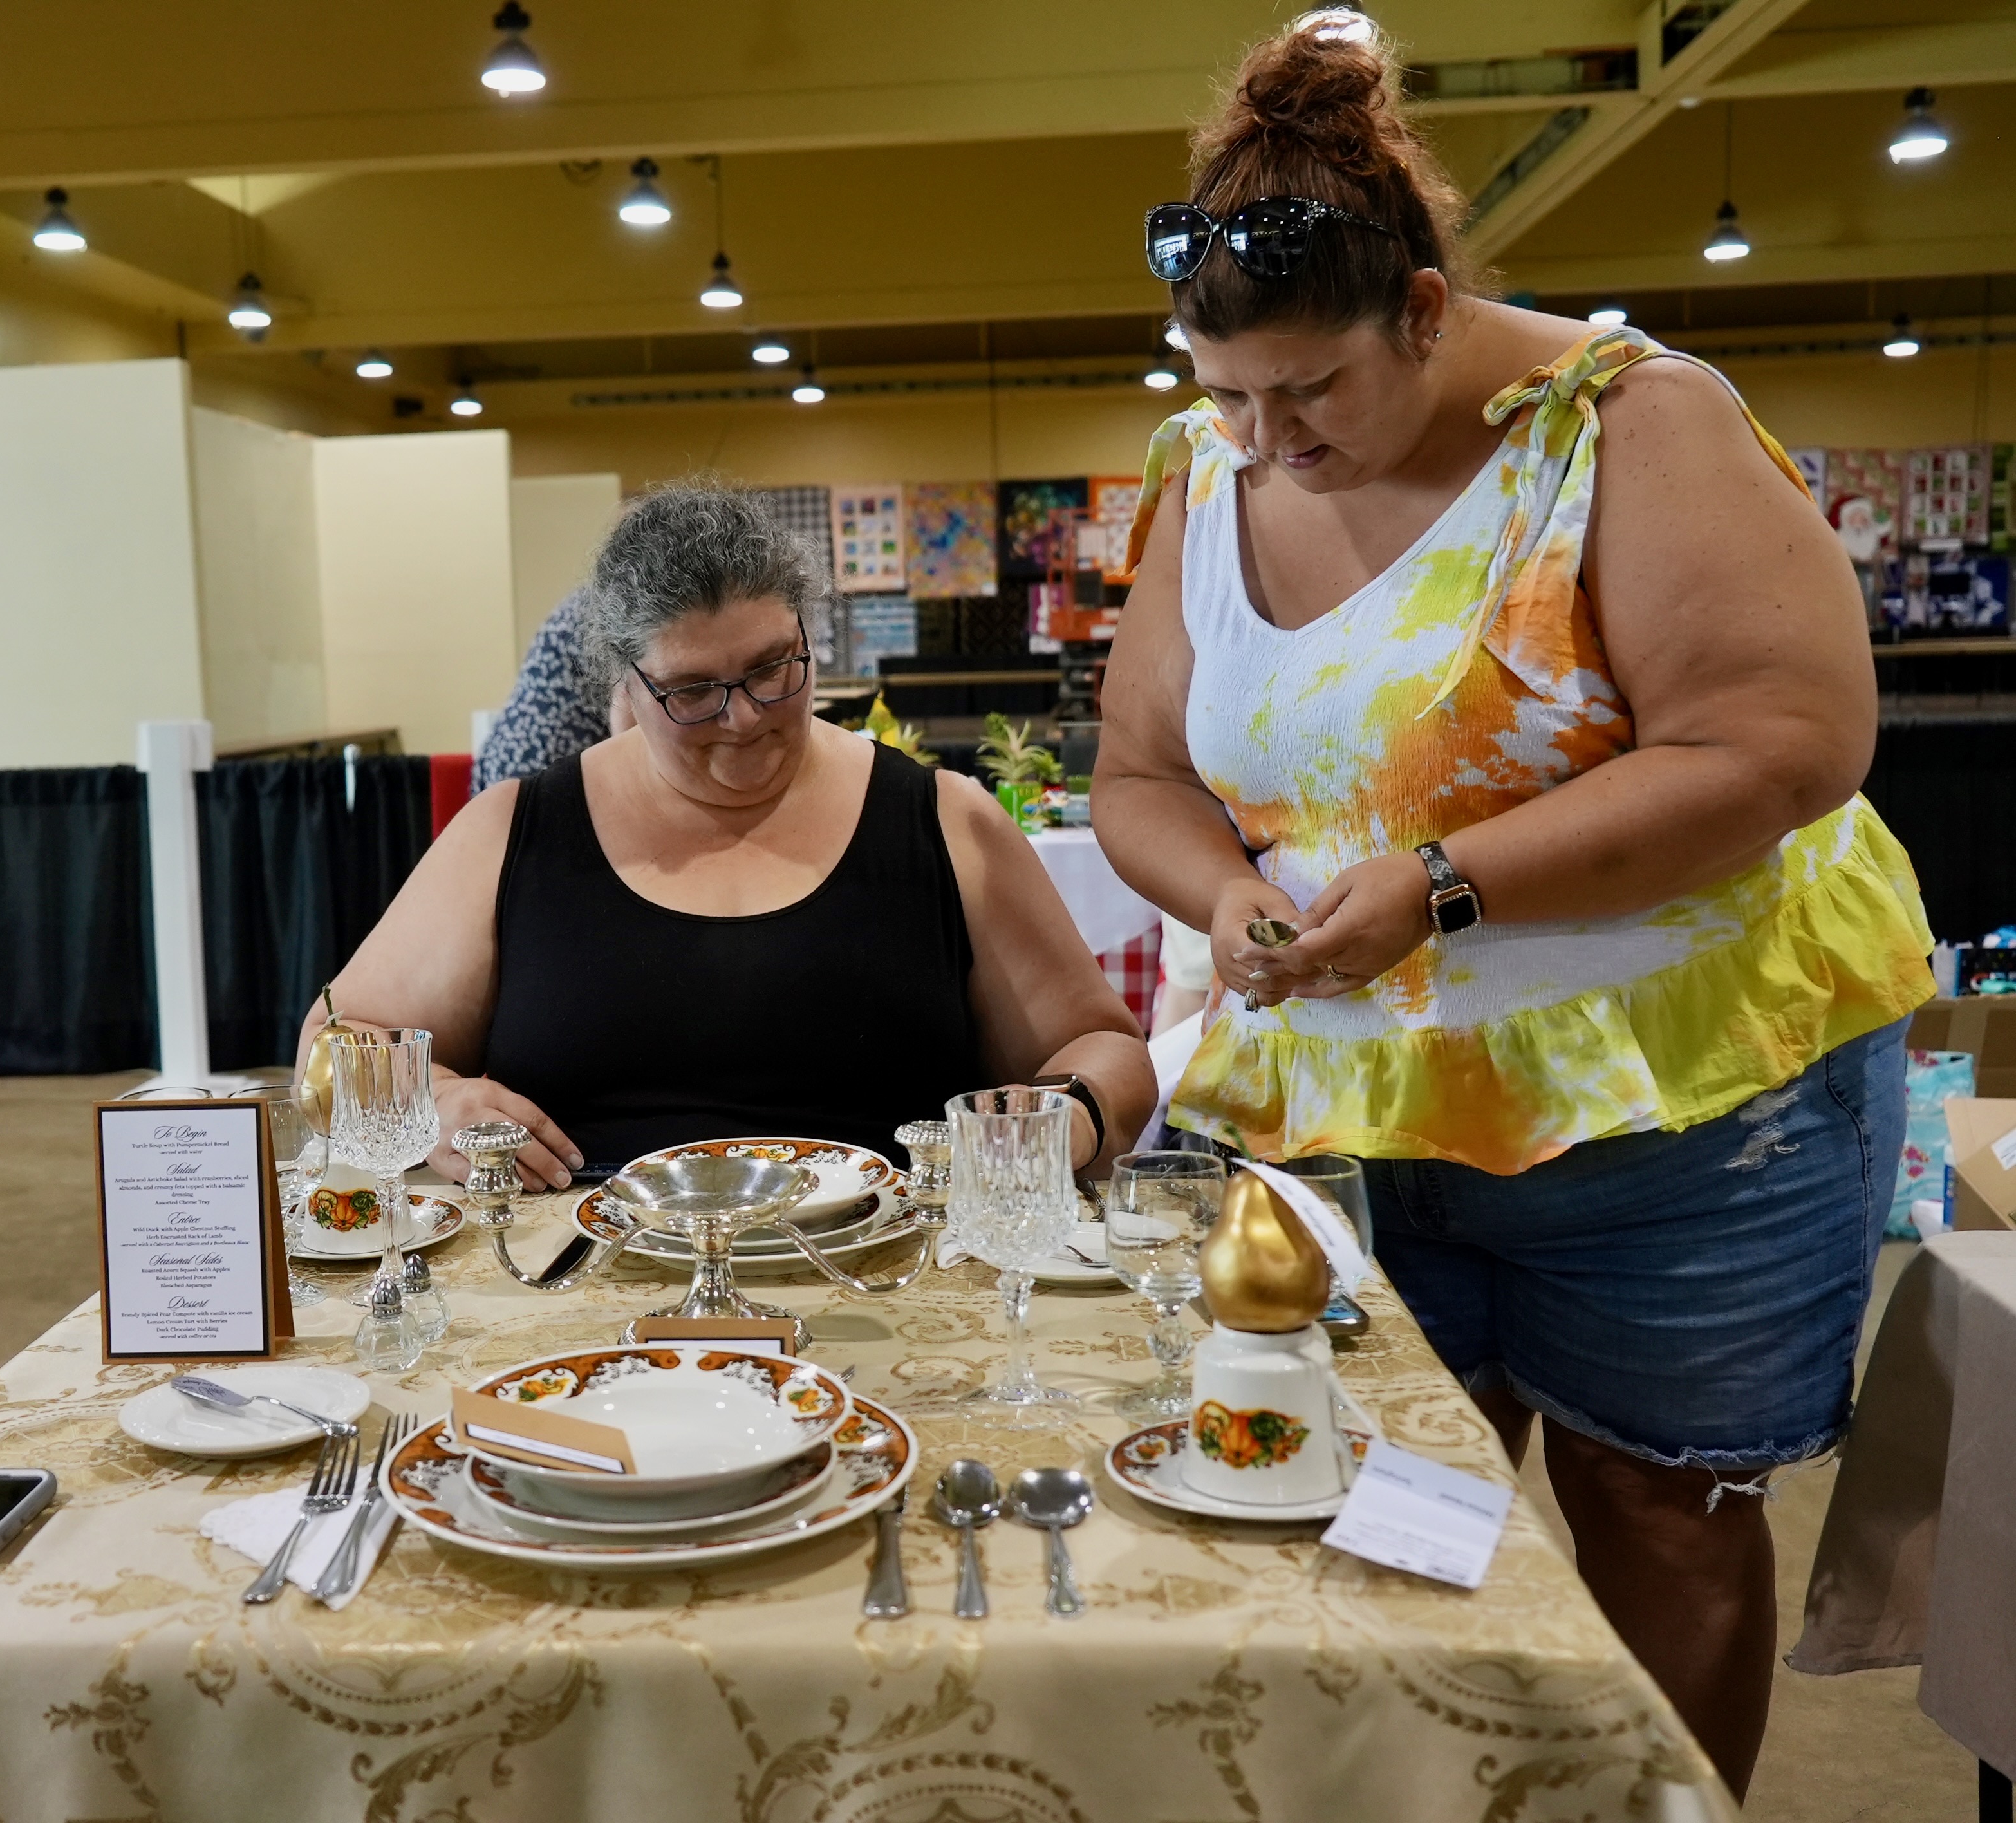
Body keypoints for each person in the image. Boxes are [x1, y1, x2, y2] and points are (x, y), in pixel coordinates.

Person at [1090, 12, 1932, 1800]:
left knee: (1660, 1511)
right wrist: (1232, 892)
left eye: (1309, 392)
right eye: (1227, 396)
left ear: (1422, 311)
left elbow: (1784, 746)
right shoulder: (1211, 463)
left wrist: (1447, 888)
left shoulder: (1631, 425)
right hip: (1367, 1111)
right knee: (1397, 1501)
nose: (1268, 438)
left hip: (1683, 1109)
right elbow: (1143, 781)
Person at [308, 478, 1153, 1185]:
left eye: (773, 669)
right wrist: (433, 1108)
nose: (744, 718)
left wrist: (1070, 1116)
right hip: (571, 1287)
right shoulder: (513, 834)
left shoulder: (944, 821)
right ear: (626, 687)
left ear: (806, 634)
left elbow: (1107, 1049)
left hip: (893, 1286)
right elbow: (333, 1046)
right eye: (692, 691)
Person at [471, 587, 629, 795]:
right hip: (544, 765)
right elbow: (628, 729)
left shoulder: (600, 596)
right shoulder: (623, 605)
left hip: (510, 760)